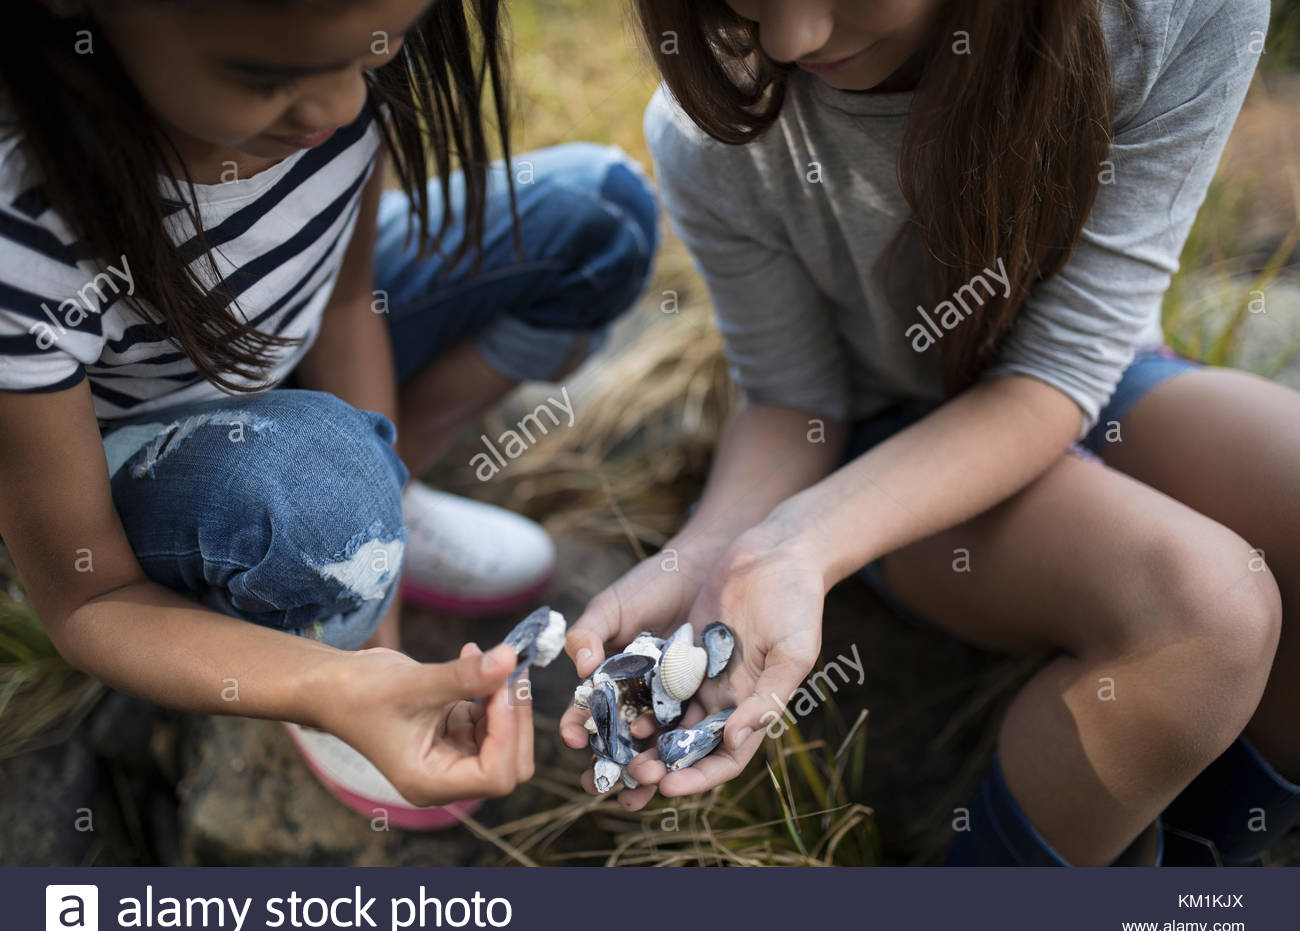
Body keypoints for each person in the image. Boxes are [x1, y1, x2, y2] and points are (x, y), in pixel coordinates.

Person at [562, 0, 1297, 865]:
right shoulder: (708, 130)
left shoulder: (1173, 16)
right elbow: (794, 402)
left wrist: (784, 552)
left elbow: (1061, 369)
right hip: (876, 456)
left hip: (1087, 379)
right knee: (1206, 614)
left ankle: (1199, 875)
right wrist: (739, 552)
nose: (790, 42)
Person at [0, 0, 657, 829]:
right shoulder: (19, 236)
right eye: (266, 79)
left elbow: (348, 306)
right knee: (319, 501)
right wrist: (345, 681)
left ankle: (371, 516)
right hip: (121, 458)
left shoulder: (340, 76)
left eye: (375, 52)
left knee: (603, 217)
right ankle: (321, 594)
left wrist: (380, 493)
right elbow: (87, 601)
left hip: (276, 337)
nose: (343, 107)